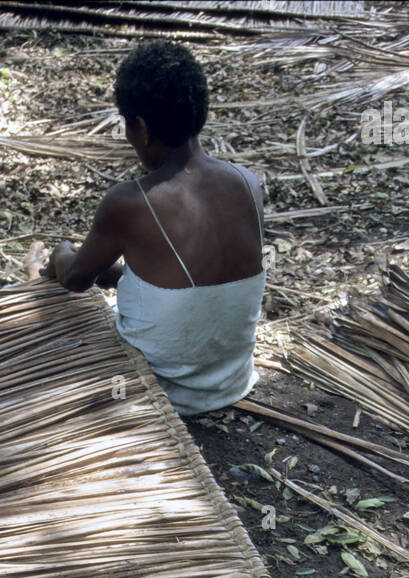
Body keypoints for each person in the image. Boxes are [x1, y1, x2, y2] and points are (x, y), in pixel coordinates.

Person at [36, 39, 266, 417]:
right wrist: (122, 277)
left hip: (159, 392)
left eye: (128, 126)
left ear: (141, 128)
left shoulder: (129, 202)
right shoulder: (248, 182)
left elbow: (76, 280)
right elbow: (197, 284)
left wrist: (62, 251)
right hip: (232, 384)